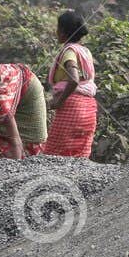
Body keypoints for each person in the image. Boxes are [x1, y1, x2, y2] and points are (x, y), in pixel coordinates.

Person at [40, 9, 97, 158]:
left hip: (72, 109)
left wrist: (59, 101)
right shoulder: (85, 51)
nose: (56, 32)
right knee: (79, 155)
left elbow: (74, 80)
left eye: (58, 28)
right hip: (89, 109)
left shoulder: (69, 52)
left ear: (64, 32)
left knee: (54, 154)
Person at [0, 63, 48, 161]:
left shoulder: (1, 101)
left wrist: (15, 166)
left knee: (35, 135)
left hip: (27, 86)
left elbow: (15, 140)